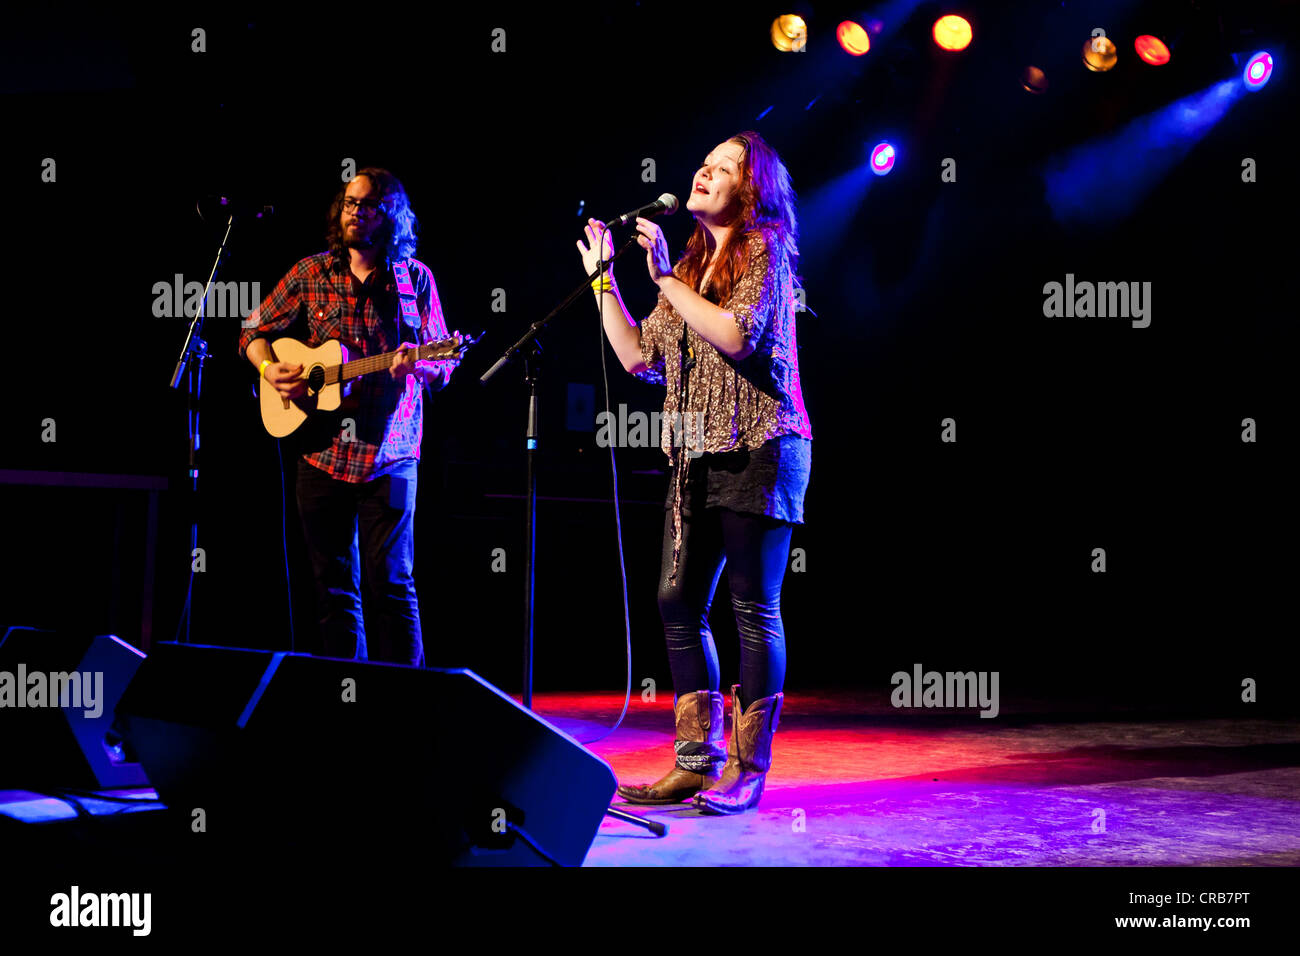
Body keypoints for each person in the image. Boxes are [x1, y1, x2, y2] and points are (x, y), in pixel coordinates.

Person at [577, 131, 812, 814]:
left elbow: (737, 335)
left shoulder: (765, 249)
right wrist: (604, 279)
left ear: (752, 188)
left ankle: (748, 769)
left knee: (752, 609)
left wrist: (665, 282)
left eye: (722, 168)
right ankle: (693, 762)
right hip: (693, 453)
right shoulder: (687, 260)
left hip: (761, 446)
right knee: (677, 601)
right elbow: (635, 357)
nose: (703, 173)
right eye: (702, 164)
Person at [239, 168, 461, 666]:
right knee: (333, 590)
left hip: (391, 455)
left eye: (367, 205)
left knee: (394, 588)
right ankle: (348, 705)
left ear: (391, 217)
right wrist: (270, 368)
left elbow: (444, 367)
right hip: (320, 455)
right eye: (349, 203)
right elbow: (251, 328)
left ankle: (408, 710)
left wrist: (421, 363)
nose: (355, 213)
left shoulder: (414, 279)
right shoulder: (309, 273)